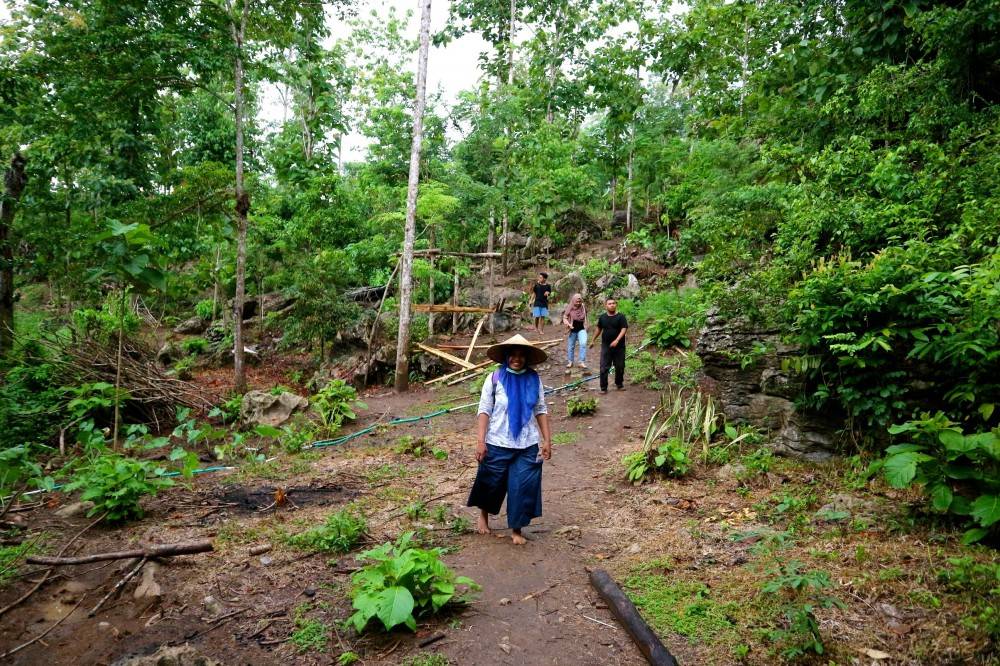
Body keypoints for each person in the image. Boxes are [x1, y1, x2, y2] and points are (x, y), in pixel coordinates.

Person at [468, 334, 552, 545]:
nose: (517, 359)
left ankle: (516, 529)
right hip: (497, 440)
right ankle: (483, 516)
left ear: (526, 358)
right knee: (491, 482)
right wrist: (481, 440)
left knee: (522, 486)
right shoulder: (494, 378)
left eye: (521, 355)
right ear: (506, 357)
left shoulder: (534, 379)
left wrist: (547, 440)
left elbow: (541, 409)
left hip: (527, 443)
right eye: (512, 355)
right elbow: (484, 410)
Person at [591, 297, 628, 393]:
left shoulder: (621, 317)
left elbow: (624, 329)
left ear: (616, 305)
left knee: (620, 366)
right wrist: (593, 340)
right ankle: (603, 388)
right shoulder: (602, 317)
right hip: (606, 346)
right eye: (609, 303)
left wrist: (617, 340)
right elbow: (599, 329)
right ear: (606, 306)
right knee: (604, 367)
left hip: (619, 347)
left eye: (613, 303)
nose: (612, 305)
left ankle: (619, 384)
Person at [562, 293, 588, 373]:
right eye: (576, 302)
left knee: (583, 343)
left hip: (582, 328)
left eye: (579, 301)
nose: (578, 303)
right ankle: (570, 361)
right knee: (571, 346)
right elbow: (564, 317)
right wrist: (568, 324)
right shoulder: (570, 307)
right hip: (572, 329)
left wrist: (587, 325)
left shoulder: (583, 306)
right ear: (573, 301)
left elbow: (586, 316)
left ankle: (581, 362)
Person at [529, 272, 552, 336]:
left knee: (543, 317)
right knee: (537, 316)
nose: (539, 278)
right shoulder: (536, 285)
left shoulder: (548, 286)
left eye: (541, 277)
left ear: (544, 279)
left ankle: (541, 330)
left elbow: (549, 293)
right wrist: (531, 301)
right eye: (539, 277)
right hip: (537, 302)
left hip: (544, 303)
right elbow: (534, 293)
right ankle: (536, 328)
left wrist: (548, 293)